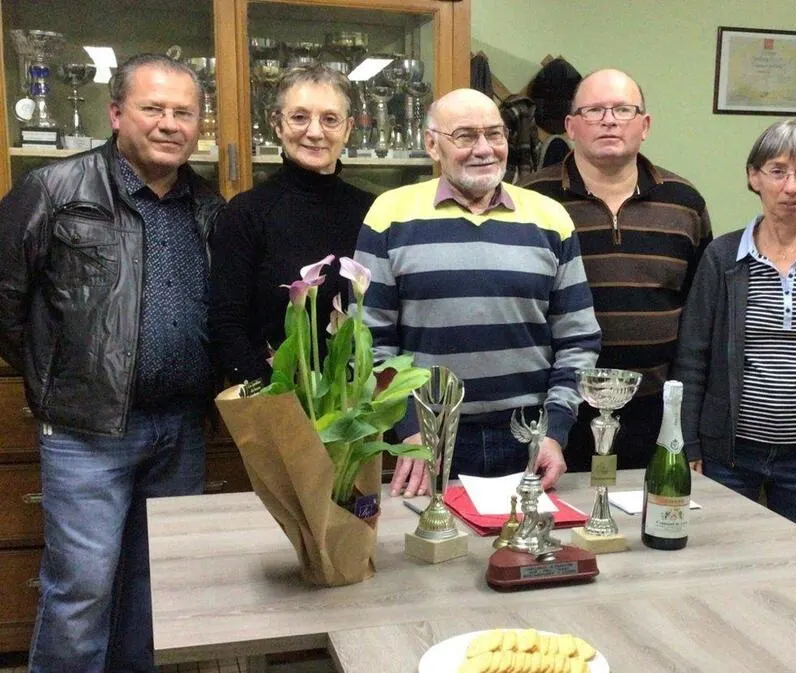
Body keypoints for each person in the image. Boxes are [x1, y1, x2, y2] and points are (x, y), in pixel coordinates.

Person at [0, 53, 224, 672]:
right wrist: (56, 377)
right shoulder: (55, 188)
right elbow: (6, 300)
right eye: (154, 109)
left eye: (184, 112)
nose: (169, 124)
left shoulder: (208, 204)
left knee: (156, 590)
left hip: (180, 429)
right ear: (117, 113)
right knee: (82, 591)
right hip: (86, 432)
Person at [353, 88, 601, 497]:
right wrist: (408, 430)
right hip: (427, 440)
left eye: (496, 134)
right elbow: (369, 340)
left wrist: (556, 430)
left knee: (524, 555)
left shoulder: (550, 218)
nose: (485, 149)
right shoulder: (389, 214)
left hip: (530, 439)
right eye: (465, 136)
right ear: (432, 144)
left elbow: (577, 339)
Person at [676, 120, 796, 538]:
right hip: (728, 454)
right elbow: (693, 357)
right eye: (777, 171)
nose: (792, 187)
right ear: (754, 177)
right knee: (721, 564)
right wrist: (685, 444)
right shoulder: (723, 256)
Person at [520, 68, 713, 472]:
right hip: (558, 412)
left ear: (645, 125)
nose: (609, 120)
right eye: (594, 110)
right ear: (570, 126)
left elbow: (700, 313)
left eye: (623, 109)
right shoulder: (531, 203)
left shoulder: (684, 203)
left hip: (655, 412)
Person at [210, 64, 374, 384]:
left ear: (349, 128)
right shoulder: (246, 213)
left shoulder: (372, 211)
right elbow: (226, 324)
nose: (315, 132)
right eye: (299, 117)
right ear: (277, 124)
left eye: (330, 119)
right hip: (274, 406)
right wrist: (276, 405)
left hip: (355, 405)